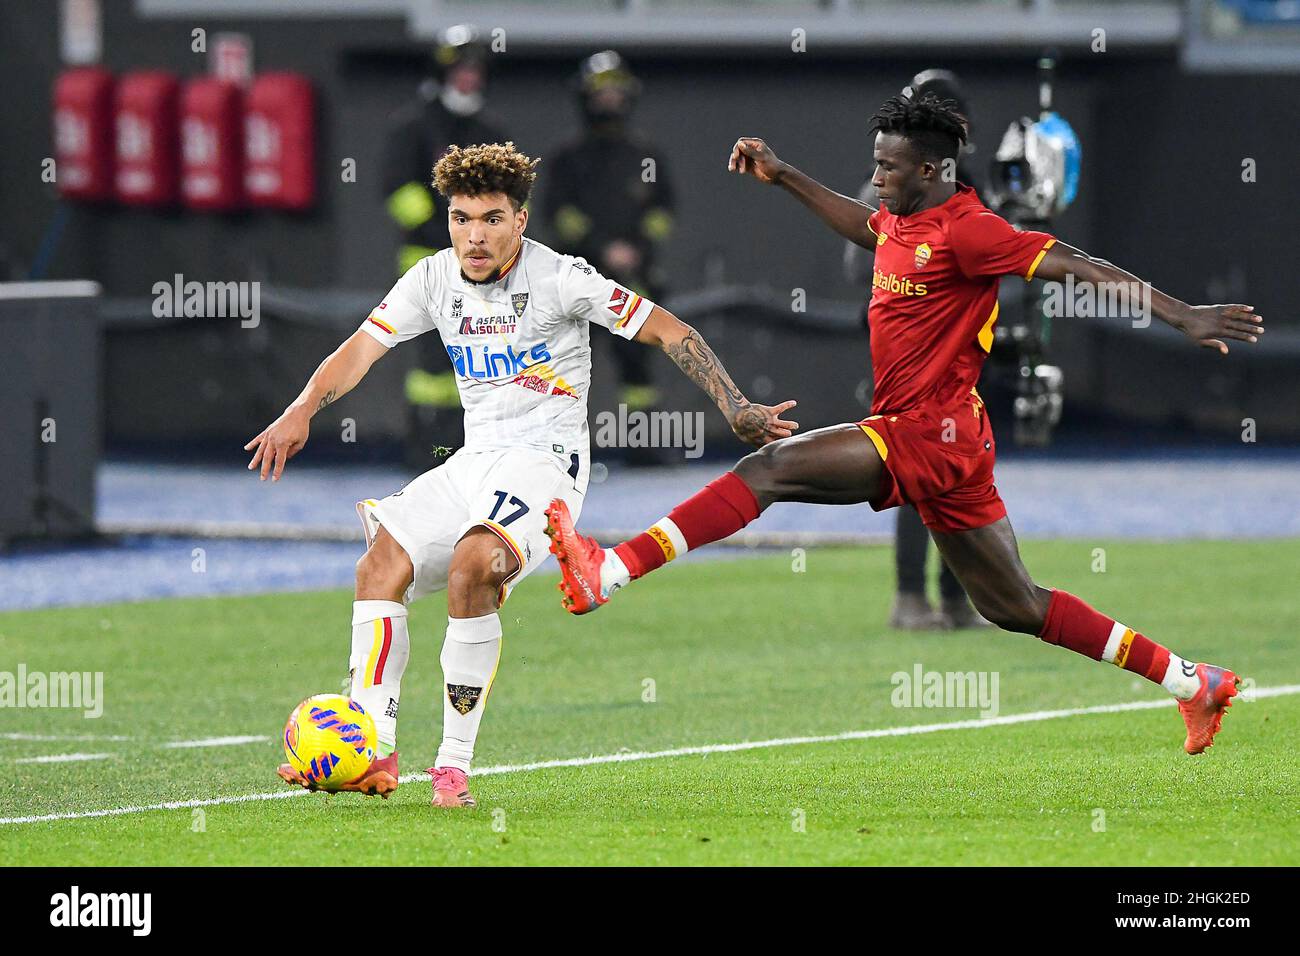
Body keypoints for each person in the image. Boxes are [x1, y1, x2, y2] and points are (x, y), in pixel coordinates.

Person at [544, 95, 1263, 756]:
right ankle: (1192, 682)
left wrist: (1181, 315)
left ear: (931, 168)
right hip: (954, 443)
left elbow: (1077, 265)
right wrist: (787, 175)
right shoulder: (903, 217)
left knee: (767, 471)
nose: (877, 177)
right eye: (876, 163)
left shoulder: (971, 230)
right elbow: (867, 227)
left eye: (888, 166)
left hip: (929, 430)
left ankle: (611, 568)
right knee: (1016, 605)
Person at [247, 143, 796, 807]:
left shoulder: (562, 278)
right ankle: (373, 749)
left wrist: (734, 404)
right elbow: (360, 350)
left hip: (546, 465)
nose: (473, 236)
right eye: (460, 218)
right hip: (474, 460)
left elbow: (668, 329)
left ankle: (451, 769)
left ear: (521, 220)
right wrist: (301, 410)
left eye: (491, 219)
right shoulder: (431, 279)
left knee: (471, 567)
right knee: (378, 566)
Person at [845, 69, 984, 631]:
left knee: (959, 479)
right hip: (908, 357)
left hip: (960, 358)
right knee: (913, 473)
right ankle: (908, 596)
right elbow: (863, 259)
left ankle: (955, 598)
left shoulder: (971, 190)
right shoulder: (891, 188)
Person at [380, 23, 508, 463]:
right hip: (429, 260)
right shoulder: (414, 125)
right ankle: (427, 446)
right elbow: (399, 190)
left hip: (481, 264)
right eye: (460, 69)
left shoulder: (489, 128)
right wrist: (450, 237)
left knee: (478, 354)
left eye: (475, 69)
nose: (469, 77)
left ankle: (465, 450)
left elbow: (506, 195)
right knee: (433, 357)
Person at [543, 51, 676, 456]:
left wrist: (636, 251)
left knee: (638, 363)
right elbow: (559, 215)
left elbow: (662, 211)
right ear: (585, 97)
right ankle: (556, 449)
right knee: (565, 364)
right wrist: (603, 249)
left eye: (616, 91)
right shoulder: (568, 156)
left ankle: (643, 448)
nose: (610, 99)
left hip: (633, 279)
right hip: (579, 278)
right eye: (601, 92)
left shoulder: (644, 154)